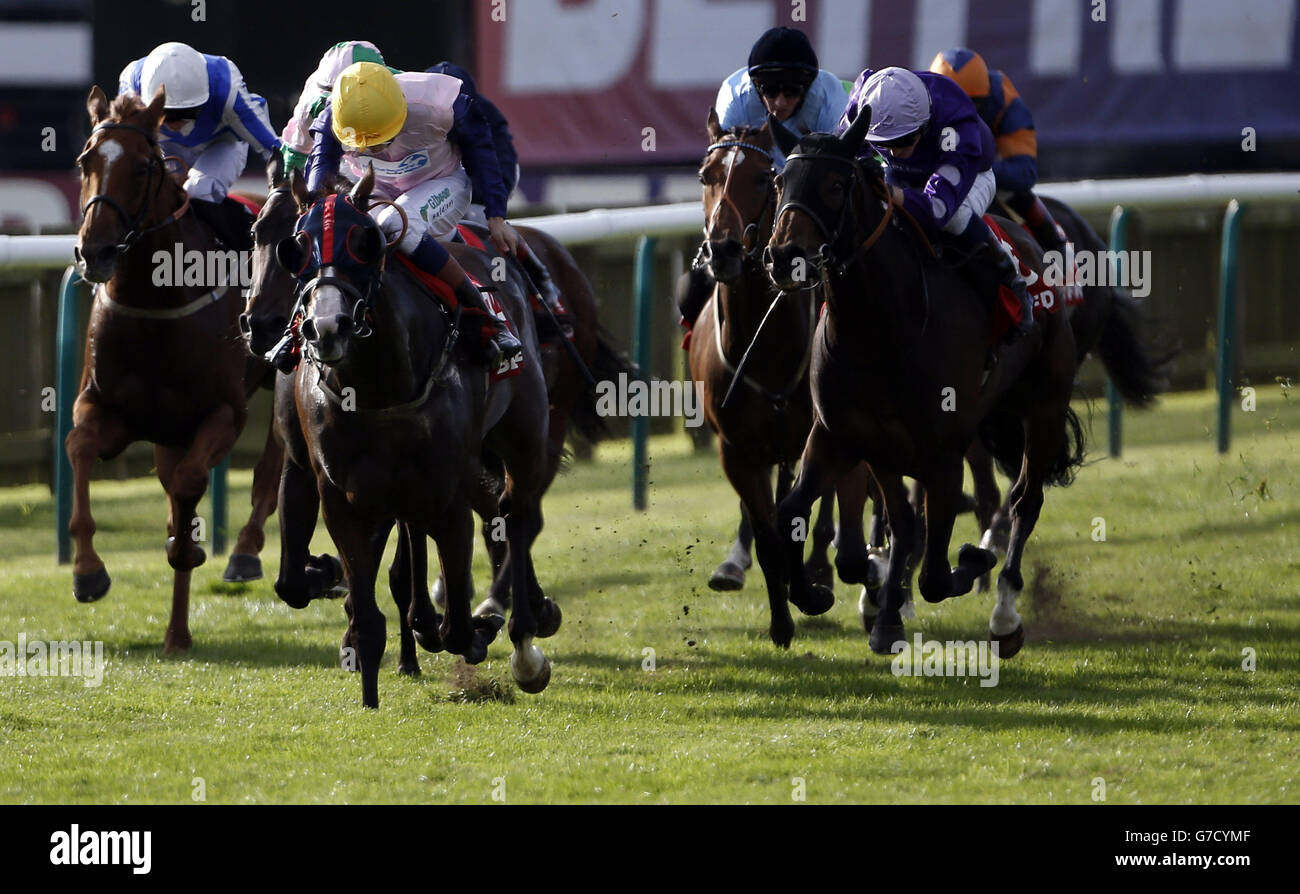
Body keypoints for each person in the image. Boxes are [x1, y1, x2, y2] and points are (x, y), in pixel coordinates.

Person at [305, 61, 522, 364]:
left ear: (401, 112)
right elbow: (318, 172)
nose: (375, 150)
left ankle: (482, 312)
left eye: (382, 139)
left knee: (394, 223)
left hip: (440, 182)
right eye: (365, 144)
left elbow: (481, 148)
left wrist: (496, 216)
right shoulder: (333, 117)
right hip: (376, 189)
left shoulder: (441, 106)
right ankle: (298, 329)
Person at [839, 66, 1034, 338]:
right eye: (885, 142)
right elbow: (841, 153)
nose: (895, 151)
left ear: (924, 125)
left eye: (904, 140)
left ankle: (1010, 275)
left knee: (954, 220)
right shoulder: (864, 101)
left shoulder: (956, 126)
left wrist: (890, 193)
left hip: (971, 172)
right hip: (904, 173)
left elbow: (937, 210)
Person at [677, 27, 851, 332]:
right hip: (758, 192)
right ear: (756, 88)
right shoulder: (734, 100)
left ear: (808, 87)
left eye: (792, 91)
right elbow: (729, 178)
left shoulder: (830, 100)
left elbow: (829, 179)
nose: (780, 102)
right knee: (690, 294)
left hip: (808, 197)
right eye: (770, 91)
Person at [426, 61, 569, 336]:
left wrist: (469, 200)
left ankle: (545, 290)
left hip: (483, 182)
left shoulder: (483, 119)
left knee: (489, 228)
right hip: (441, 182)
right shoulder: (414, 114)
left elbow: (496, 177)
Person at [118, 41, 281, 249]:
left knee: (199, 191)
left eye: (186, 113)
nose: (176, 123)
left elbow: (272, 148)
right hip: (164, 143)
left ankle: (242, 245)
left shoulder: (226, 86)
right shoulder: (131, 87)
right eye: (166, 114)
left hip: (223, 142)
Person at [929, 48, 1066, 254]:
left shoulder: (1005, 100)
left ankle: (1057, 248)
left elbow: (1023, 174)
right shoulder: (920, 102)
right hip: (940, 168)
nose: (959, 114)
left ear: (984, 100)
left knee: (1016, 193)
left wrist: (970, 163)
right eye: (950, 103)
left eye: (970, 104)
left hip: (986, 171)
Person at [281, 40, 392, 176]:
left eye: (347, 92)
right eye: (331, 91)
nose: (334, 102)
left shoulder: (402, 88)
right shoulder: (312, 107)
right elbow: (297, 153)